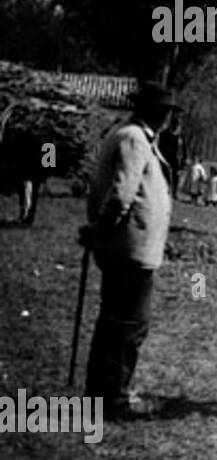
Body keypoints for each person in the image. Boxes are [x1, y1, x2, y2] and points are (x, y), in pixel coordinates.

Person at [78, 81, 178, 418]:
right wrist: (100, 231)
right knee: (128, 326)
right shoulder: (134, 139)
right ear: (154, 112)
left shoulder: (137, 137)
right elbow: (121, 195)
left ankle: (101, 395)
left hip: (132, 249)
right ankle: (112, 400)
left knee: (116, 323)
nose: (168, 118)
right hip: (129, 250)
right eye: (165, 111)